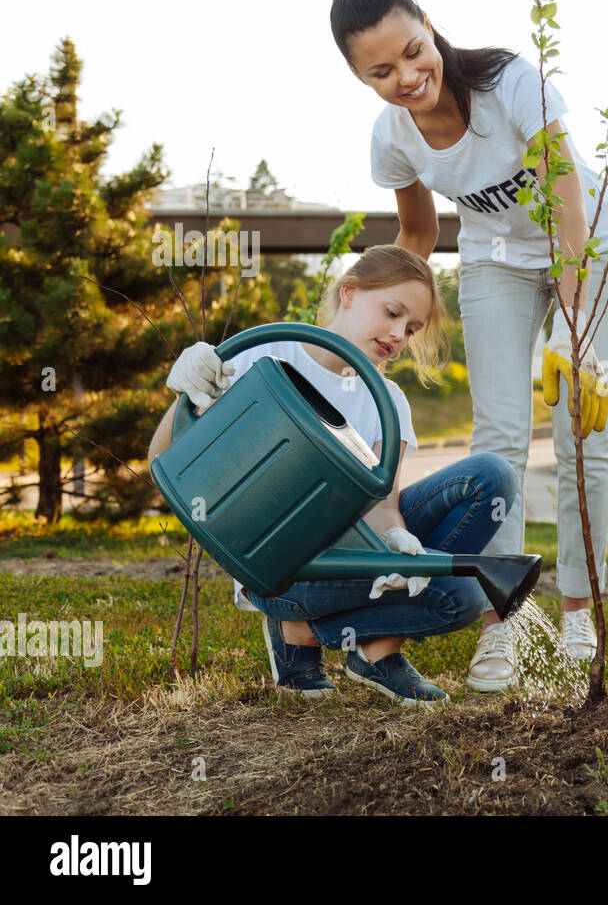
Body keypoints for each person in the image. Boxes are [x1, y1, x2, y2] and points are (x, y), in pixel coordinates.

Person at [330, 0, 608, 692]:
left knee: (579, 431)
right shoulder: (393, 137)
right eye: (381, 71)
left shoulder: (512, 84)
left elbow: (569, 210)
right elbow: (420, 230)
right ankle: (504, 624)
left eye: (412, 51)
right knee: (499, 439)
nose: (407, 76)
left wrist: (574, 333)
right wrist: (372, 304)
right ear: (359, 76)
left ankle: (577, 613)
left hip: (590, 249)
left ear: (429, 24)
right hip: (494, 262)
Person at [147, 244, 517, 706]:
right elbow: (164, 458)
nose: (399, 334)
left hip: (351, 554)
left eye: (412, 328)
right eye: (392, 312)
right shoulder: (266, 355)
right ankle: (296, 629)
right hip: (281, 567)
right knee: (462, 592)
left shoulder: (388, 402)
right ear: (349, 293)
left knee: (490, 484)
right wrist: (187, 390)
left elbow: (383, 507)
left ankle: (368, 650)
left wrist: (398, 545)